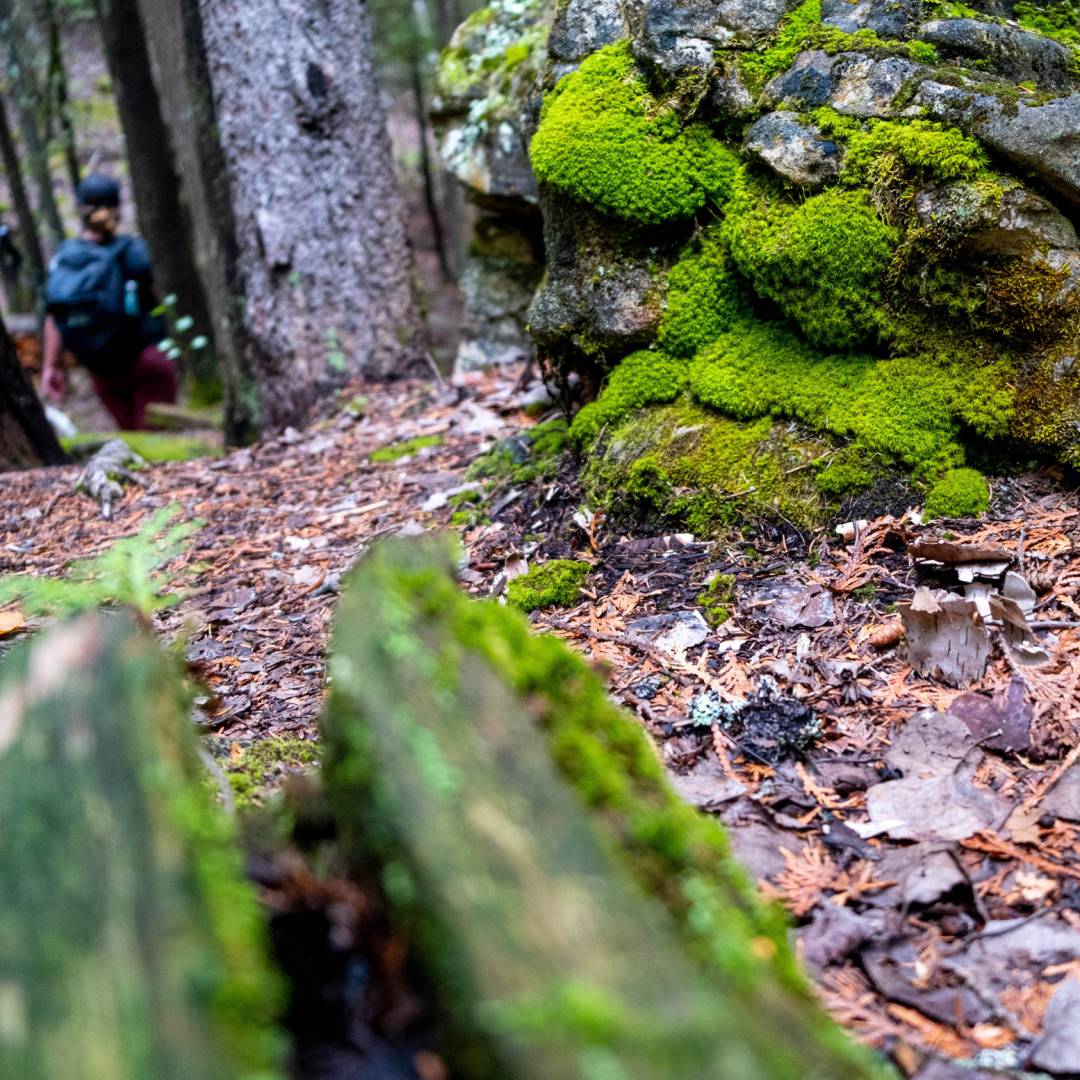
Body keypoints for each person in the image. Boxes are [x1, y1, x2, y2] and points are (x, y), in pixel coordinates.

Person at [41, 174, 176, 430]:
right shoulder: (132, 251)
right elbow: (155, 299)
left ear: (81, 208)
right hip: (145, 362)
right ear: (117, 208)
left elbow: (54, 315)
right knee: (155, 441)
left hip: (101, 371)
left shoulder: (66, 257)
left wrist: (50, 366)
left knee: (132, 440)